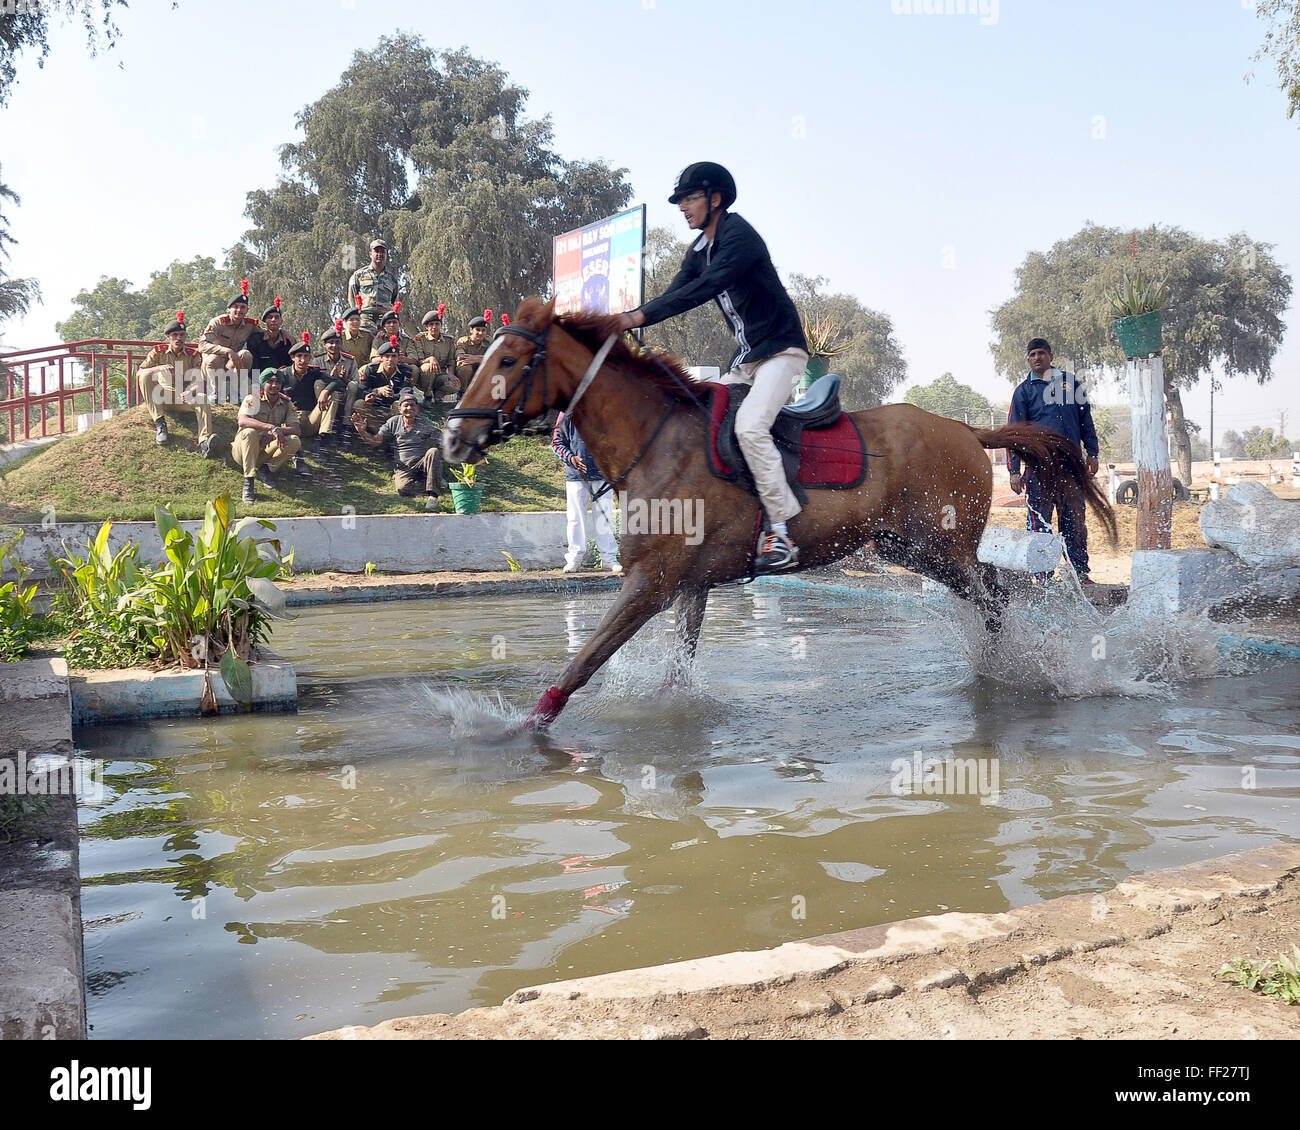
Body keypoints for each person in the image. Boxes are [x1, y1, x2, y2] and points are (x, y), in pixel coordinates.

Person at [616, 162, 808, 573]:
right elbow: (677, 292)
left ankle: (781, 532)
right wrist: (636, 318)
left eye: (689, 198)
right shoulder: (699, 249)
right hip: (747, 361)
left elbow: (702, 290)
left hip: (783, 354)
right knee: (698, 419)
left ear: (714, 199)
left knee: (749, 426)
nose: (683, 207)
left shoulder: (739, 236)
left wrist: (635, 318)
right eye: (680, 201)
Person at [1007, 337, 1101, 583]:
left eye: (1041, 353)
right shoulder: (1024, 391)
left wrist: (1093, 453)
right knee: (1040, 525)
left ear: (1051, 356)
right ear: (1028, 360)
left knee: (1075, 523)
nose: (1037, 358)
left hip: (1071, 468)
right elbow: (1014, 433)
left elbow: (1086, 421)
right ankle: (1042, 576)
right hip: (1039, 471)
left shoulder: (1070, 384)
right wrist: (1014, 471)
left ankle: (1079, 574)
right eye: (1032, 355)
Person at [351, 389, 445, 511]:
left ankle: (433, 495)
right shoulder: (393, 422)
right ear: (399, 409)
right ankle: (434, 481)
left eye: (412, 405)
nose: (409, 408)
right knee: (402, 489)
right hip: (403, 466)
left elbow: (442, 439)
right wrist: (362, 432)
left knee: (433, 451)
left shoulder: (425, 422)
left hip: (423, 462)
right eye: (406, 405)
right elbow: (376, 441)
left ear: (417, 408)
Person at [135, 316, 217, 456]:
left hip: (183, 397)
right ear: (168, 337)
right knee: (145, 376)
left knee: (202, 398)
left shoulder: (194, 355)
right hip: (162, 396)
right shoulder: (158, 352)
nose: (179, 338)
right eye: (175, 335)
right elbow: (140, 372)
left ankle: (205, 441)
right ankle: (160, 424)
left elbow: (200, 380)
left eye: (182, 335)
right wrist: (158, 368)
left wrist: (191, 391)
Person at [552, 411, 621, 573]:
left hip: (602, 476)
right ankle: (575, 558)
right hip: (576, 476)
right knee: (575, 519)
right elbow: (557, 442)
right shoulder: (566, 412)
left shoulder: (602, 409)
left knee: (604, 518)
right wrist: (571, 458)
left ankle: (608, 559)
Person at [232, 369, 302, 504]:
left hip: (264, 451)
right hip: (243, 451)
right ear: (263, 384)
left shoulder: (287, 403)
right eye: (270, 382)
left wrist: (274, 433)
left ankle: (266, 469)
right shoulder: (253, 399)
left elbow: (296, 429)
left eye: (278, 382)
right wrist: (271, 428)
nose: (274, 385)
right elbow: (243, 421)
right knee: (249, 432)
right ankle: (249, 481)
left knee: (294, 441)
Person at [279, 339, 344, 470]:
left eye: (306, 356)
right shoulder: (283, 374)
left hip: (311, 420)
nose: (303, 360)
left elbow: (336, 382)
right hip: (290, 420)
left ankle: (322, 440)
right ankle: (297, 455)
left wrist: (325, 391)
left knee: (333, 395)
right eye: (299, 356)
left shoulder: (314, 372)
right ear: (292, 357)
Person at [346, 339, 418, 435]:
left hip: (393, 409)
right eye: (387, 356)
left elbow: (406, 392)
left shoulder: (406, 371)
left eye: (394, 356)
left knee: (400, 404)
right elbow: (361, 392)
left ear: (398, 358)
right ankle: (381, 434)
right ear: (381, 358)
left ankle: (396, 434)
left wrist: (392, 395)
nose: (390, 360)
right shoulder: (371, 369)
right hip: (375, 408)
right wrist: (377, 392)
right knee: (359, 404)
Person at [198, 293, 259, 405]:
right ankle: (216, 393)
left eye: (243, 307)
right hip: (212, 366)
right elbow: (202, 345)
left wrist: (283, 332)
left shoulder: (250, 325)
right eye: (235, 306)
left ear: (247, 310)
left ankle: (234, 392)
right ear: (229, 309)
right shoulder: (218, 322)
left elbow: (268, 334)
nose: (239, 310)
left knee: (246, 355)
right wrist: (227, 351)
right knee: (213, 359)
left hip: (231, 364)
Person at [315, 323, 359, 450]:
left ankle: (346, 428)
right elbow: (317, 380)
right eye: (331, 343)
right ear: (324, 345)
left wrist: (343, 379)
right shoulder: (318, 361)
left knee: (352, 385)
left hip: (345, 398)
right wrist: (332, 378)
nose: (334, 346)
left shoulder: (350, 361)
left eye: (337, 342)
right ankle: (325, 429)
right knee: (318, 384)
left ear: (341, 344)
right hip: (326, 398)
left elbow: (355, 381)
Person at [410, 308, 458, 413]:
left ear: (441, 325)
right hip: (423, 376)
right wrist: (430, 359)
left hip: (440, 374)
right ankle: (427, 396)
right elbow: (419, 360)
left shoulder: (449, 341)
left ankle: (438, 396)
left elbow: (451, 361)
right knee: (428, 367)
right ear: (427, 327)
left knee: (455, 385)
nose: (434, 327)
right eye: (431, 324)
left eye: (437, 323)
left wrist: (451, 374)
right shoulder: (420, 339)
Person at [347, 239, 400, 330]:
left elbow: (395, 302)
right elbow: (352, 298)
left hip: (385, 322)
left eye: (383, 252)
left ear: (386, 255)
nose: (379, 254)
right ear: (370, 254)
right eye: (376, 251)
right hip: (365, 321)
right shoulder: (358, 275)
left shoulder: (392, 279)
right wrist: (356, 316)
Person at [247, 304, 295, 372]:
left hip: (280, 379)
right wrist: (256, 382)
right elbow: (254, 366)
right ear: (265, 321)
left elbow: (290, 366)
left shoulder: (288, 341)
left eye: (277, 317)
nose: (273, 320)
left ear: (281, 321)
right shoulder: (255, 340)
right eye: (270, 317)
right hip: (258, 379)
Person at [454, 315, 489, 388]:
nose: (480, 333)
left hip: (479, 371)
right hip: (466, 373)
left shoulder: (488, 342)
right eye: (478, 330)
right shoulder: (463, 341)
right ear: (471, 330)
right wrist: (482, 358)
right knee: (465, 367)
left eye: (483, 330)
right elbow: (460, 357)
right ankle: (462, 393)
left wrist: (476, 359)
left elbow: (494, 358)